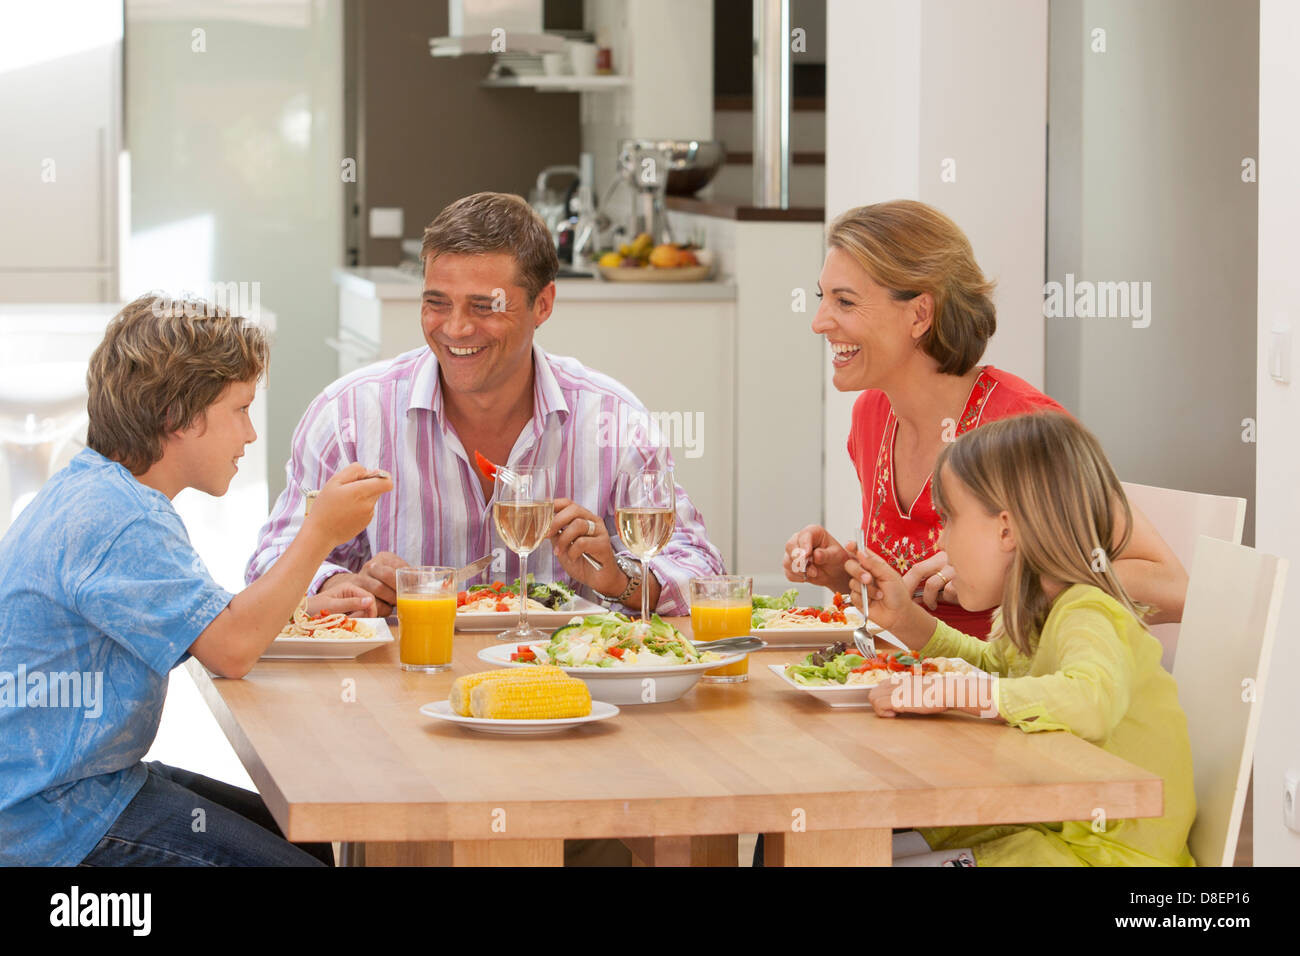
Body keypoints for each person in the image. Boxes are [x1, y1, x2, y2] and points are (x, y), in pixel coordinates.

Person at [0, 294, 392, 866]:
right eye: (240, 409)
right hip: (56, 820)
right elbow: (230, 648)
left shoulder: (97, 489)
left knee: (308, 839)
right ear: (177, 417)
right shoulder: (123, 518)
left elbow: (212, 622)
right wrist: (318, 532)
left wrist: (303, 602)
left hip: (78, 784)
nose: (252, 434)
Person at [247, 191, 725, 618]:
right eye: (437, 302)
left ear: (543, 304)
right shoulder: (348, 416)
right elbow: (272, 559)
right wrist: (338, 583)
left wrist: (622, 579)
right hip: (395, 692)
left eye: (484, 307)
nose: (454, 329)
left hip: (564, 698)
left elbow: (702, 572)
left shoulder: (615, 422)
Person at [783, 200, 1186, 638]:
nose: (819, 322)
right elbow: (919, 606)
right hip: (908, 684)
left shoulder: (1021, 425)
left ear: (919, 314)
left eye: (845, 302)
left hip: (1010, 695)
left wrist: (1013, 577)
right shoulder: (872, 416)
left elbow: (1172, 588)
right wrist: (846, 576)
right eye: (825, 298)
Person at [848, 412, 1196, 866]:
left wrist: (955, 691)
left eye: (949, 520)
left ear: (1007, 530)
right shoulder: (1035, 610)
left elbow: (1089, 699)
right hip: (1050, 834)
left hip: (1101, 856)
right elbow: (992, 667)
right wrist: (907, 620)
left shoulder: (1088, 610)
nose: (943, 541)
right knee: (853, 852)